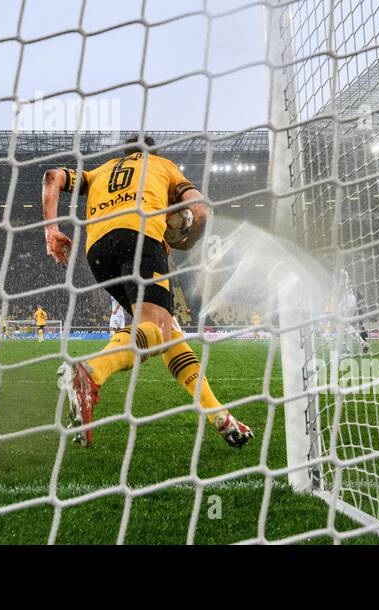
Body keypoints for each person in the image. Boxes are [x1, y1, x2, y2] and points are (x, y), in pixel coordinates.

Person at [42, 133, 252, 449]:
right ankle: (90, 373)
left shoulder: (100, 171)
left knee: (165, 331)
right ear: (151, 152)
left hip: (98, 251)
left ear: (125, 153)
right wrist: (185, 240)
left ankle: (219, 416)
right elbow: (202, 210)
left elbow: (52, 177)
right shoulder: (163, 166)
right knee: (155, 328)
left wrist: (52, 229)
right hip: (139, 238)